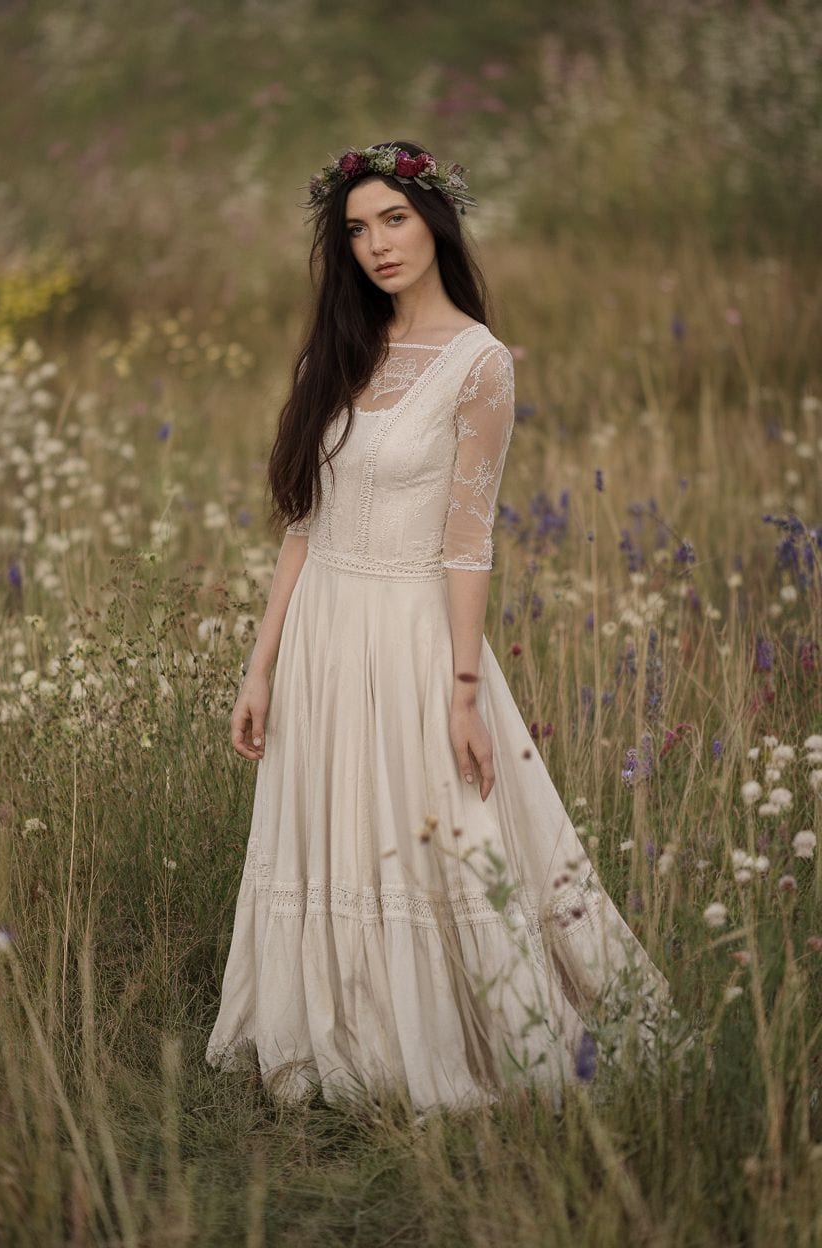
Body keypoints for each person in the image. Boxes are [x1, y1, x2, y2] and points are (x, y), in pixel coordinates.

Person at [205, 139, 676, 1116]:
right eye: (357, 230)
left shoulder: (479, 363)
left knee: (443, 842)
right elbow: (303, 524)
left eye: (394, 220)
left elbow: (468, 544)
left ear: (434, 223)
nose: (377, 245)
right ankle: (335, 1028)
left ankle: (461, 1036)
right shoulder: (341, 348)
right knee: (325, 835)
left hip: (412, 638)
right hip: (323, 636)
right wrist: (262, 665)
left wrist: (463, 690)